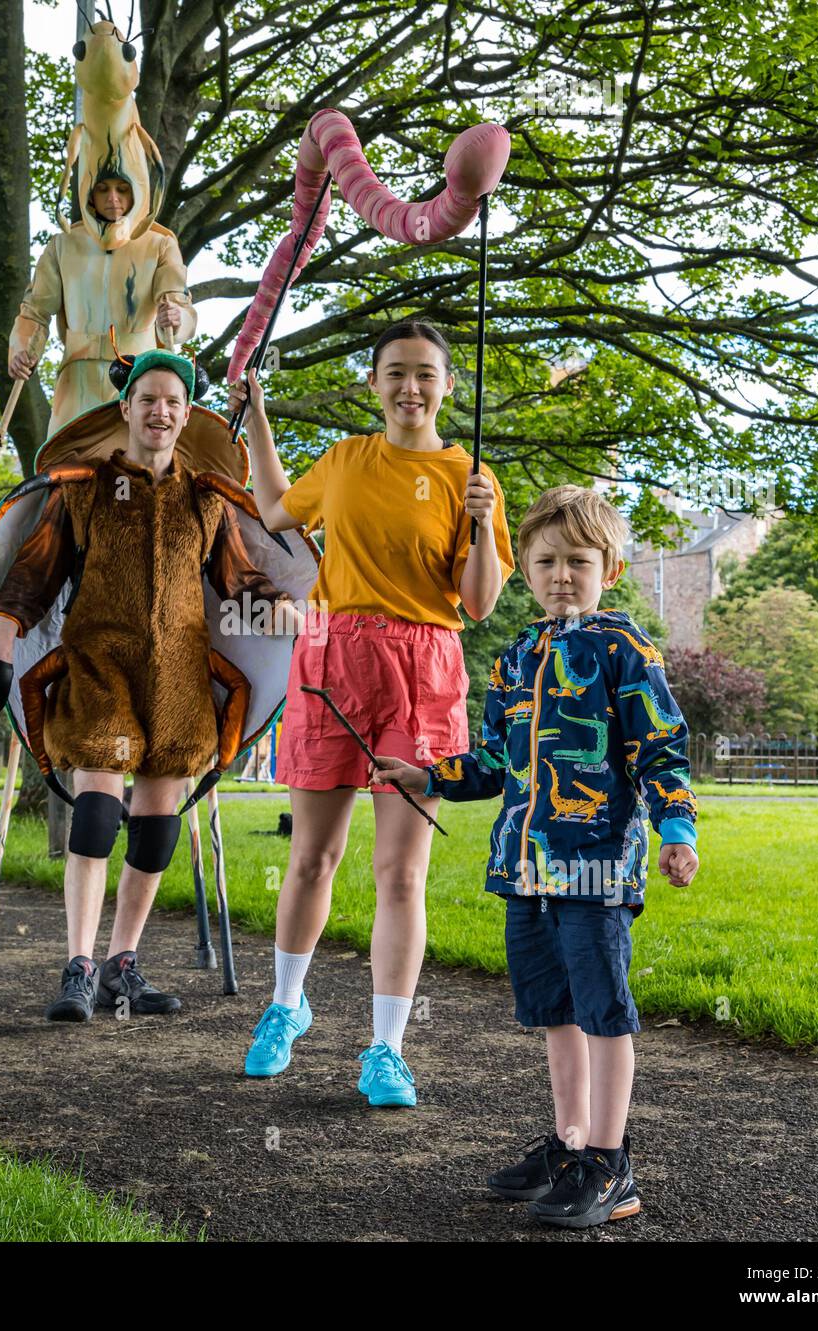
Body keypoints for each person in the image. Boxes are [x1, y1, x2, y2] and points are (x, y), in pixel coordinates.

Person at [372, 484, 700, 1226]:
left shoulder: (624, 649)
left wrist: (678, 827)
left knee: (604, 1013)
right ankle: (570, 1144)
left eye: (577, 561)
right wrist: (427, 774)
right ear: (522, 565)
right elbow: (493, 759)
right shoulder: (518, 655)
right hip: (526, 875)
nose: (560, 574)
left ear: (609, 568)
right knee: (555, 1014)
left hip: (594, 873)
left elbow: (661, 749)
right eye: (545, 560)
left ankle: (610, 1165)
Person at [228, 320, 515, 1106]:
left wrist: (485, 523)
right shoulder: (349, 458)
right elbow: (278, 509)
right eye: (396, 372)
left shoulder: (470, 473)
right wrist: (256, 414)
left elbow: (480, 601)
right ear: (374, 381)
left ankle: (386, 1048)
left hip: (425, 668)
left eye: (426, 373)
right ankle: (286, 1005)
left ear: (447, 385)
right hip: (332, 658)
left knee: (400, 872)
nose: (410, 387)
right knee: (312, 857)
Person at [0, 350, 297, 1021]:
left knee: (155, 832)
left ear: (187, 413)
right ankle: (78, 965)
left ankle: (123, 964)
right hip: (99, 668)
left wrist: (298, 616)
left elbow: (240, 582)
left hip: (180, 678)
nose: (161, 411)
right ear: (126, 408)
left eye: (173, 401)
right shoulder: (84, 489)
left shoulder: (207, 498)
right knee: (95, 816)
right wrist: (0, 652)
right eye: (148, 398)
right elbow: (30, 578)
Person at [7, 170, 197, 439]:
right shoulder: (63, 244)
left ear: (137, 193)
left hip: (139, 376)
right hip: (77, 377)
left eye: (122, 189)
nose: (113, 198)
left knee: (137, 464)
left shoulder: (160, 244)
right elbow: (35, 310)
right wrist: (22, 349)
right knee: (64, 458)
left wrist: (178, 319)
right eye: (102, 189)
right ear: (89, 194)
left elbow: (178, 304)